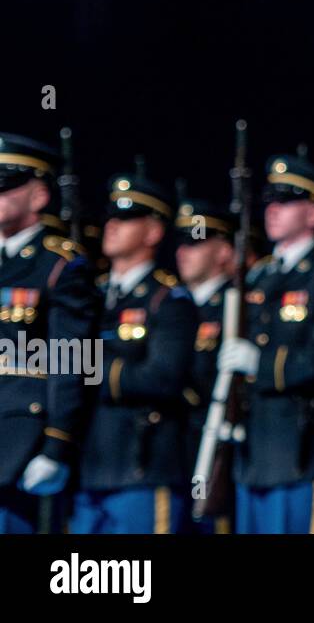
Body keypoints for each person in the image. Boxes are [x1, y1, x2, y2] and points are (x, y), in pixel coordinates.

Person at [217, 155, 314, 534]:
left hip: (299, 446)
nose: (273, 209)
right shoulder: (260, 276)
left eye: (287, 200)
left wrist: (261, 364)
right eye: (270, 199)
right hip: (252, 449)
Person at [73, 173, 196, 534]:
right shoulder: (88, 296)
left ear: (153, 232)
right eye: (110, 217)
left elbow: (162, 377)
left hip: (140, 464)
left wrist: (89, 366)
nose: (111, 226)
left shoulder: (168, 300)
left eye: (126, 219)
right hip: (88, 465)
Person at [0, 134, 98, 533]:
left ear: (39, 195)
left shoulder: (60, 264)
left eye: (4, 185)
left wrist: (58, 443)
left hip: (21, 442)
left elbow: (72, 359)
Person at [173, 198, 238, 532]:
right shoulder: (170, 304)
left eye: (197, 243)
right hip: (173, 445)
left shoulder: (235, 304)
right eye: (182, 242)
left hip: (213, 444)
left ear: (224, 251)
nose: (184, 251)